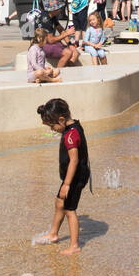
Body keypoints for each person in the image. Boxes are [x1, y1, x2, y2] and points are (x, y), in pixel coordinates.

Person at [34, 98, 89, 253]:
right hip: (71, 177)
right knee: (59, 203)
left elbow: (74, 160)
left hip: (75, 178)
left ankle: (74, 246)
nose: (53, 129)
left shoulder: (71, 135)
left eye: (53, 126)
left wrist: (67, 184)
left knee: (70, 210)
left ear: (62, 119)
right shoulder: (73, 126)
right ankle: (53, 234)